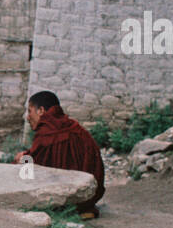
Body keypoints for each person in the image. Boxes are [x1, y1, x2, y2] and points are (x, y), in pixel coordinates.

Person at [15, 90, 106, 218]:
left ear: (41, 111)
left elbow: (37, 162)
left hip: (61, 195)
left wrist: (23, 158)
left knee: (22, 164)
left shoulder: (47, 129)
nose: (28, 117)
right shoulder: (76, 127)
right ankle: (83, 208)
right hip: (89, 197)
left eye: (30, 111)